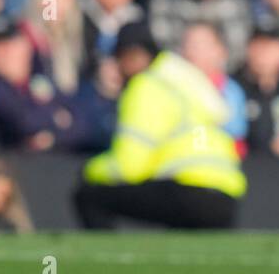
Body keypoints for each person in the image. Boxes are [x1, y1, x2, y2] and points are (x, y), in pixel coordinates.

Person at [73, 23, 246, 229]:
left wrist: (90, 169)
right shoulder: (183, 79)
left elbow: (129, 167)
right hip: (227, 196)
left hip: (189, 191)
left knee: (90, 196)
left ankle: (108, 259)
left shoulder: (146, 86)